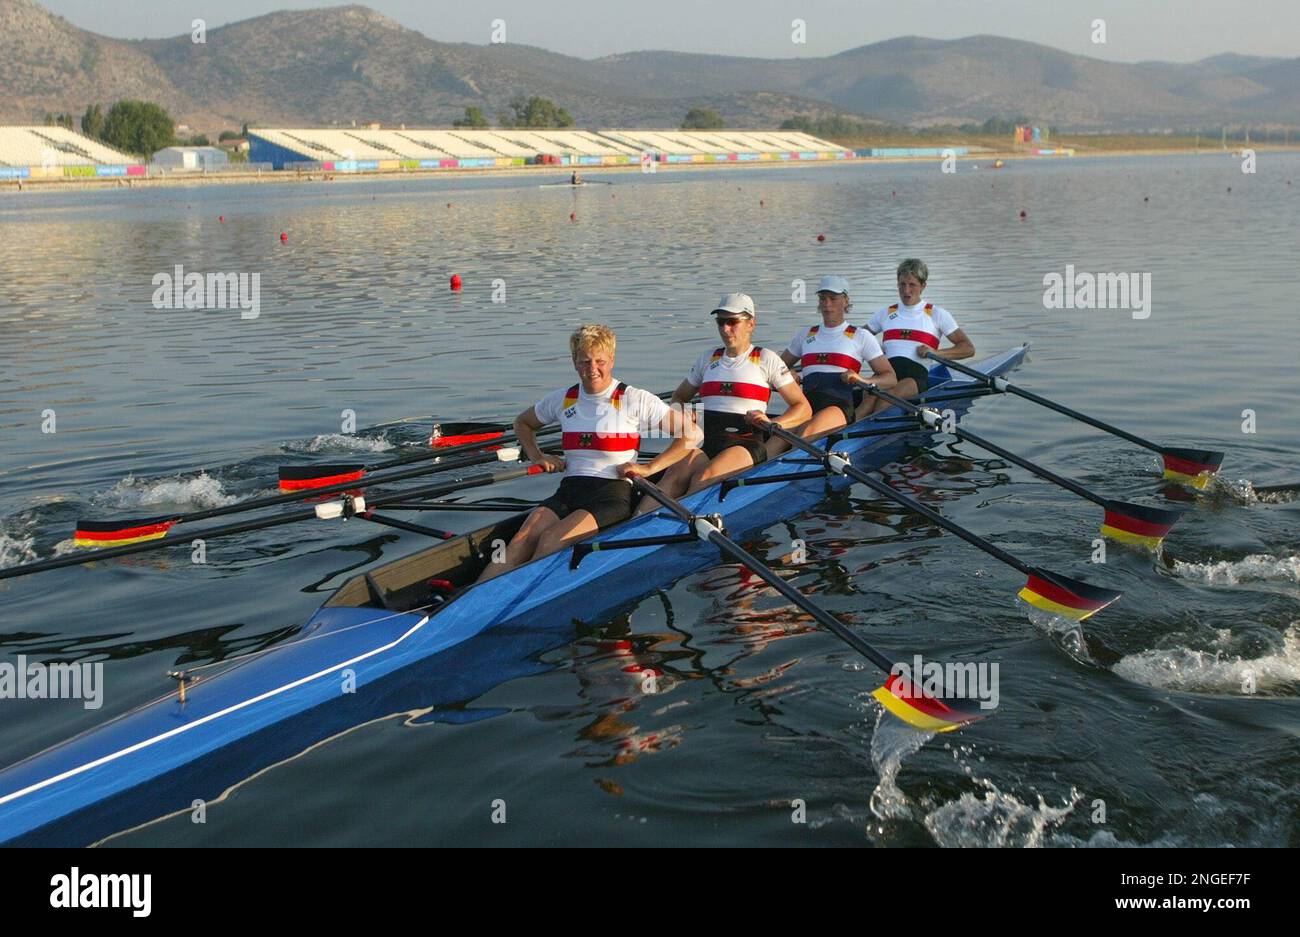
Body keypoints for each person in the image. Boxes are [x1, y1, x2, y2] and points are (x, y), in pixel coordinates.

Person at [476, 324, 694, 583]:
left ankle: (508, 601)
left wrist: (649, 469)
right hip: (569, 490)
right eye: (585, 362)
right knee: (520, 541)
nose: (592, 369)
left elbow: (691, 435)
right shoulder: (564, 399)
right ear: (574, 363)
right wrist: (538, 456)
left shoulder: (633, 399)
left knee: (550, 540)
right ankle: (468, 602)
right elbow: (522, 423)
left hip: (611, 495)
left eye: (600, 361)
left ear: (611, 360)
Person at [626, 293, 810, 510]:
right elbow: (679, 396)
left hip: (744, 441)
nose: (725, 329)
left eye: (732, 322)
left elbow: (803, 408)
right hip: (705, 439)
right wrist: (684, 412)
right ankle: (633, 527)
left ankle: (681, 525)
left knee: (706, 475)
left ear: (751, 323)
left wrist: (774, 422)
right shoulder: (708, 358)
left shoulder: (766, 358)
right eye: (721, 322)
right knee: (673, 476)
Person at [778, 275, 896, 441]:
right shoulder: (805, 334)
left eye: (833, 298)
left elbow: (890, 378)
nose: (827, 304)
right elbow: (776, 370)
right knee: (776, 438)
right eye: (823, 298)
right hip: (805, 406)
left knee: (805, 433)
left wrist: (862, 379)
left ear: (846, 301)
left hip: (838, 408)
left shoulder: (860, 336)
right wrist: (788, 375)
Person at [862, 259, 975, 415]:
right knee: (866, 400)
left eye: (912, 285)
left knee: (885, 400)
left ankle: (868, 432)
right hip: (886, 373)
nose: (906, 290)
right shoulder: (886, 313)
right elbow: (857, 339)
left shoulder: (936, 314)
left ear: (923, 286)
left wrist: (936, 353)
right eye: (902, 284)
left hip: (914, 377)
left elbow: (967, 348)